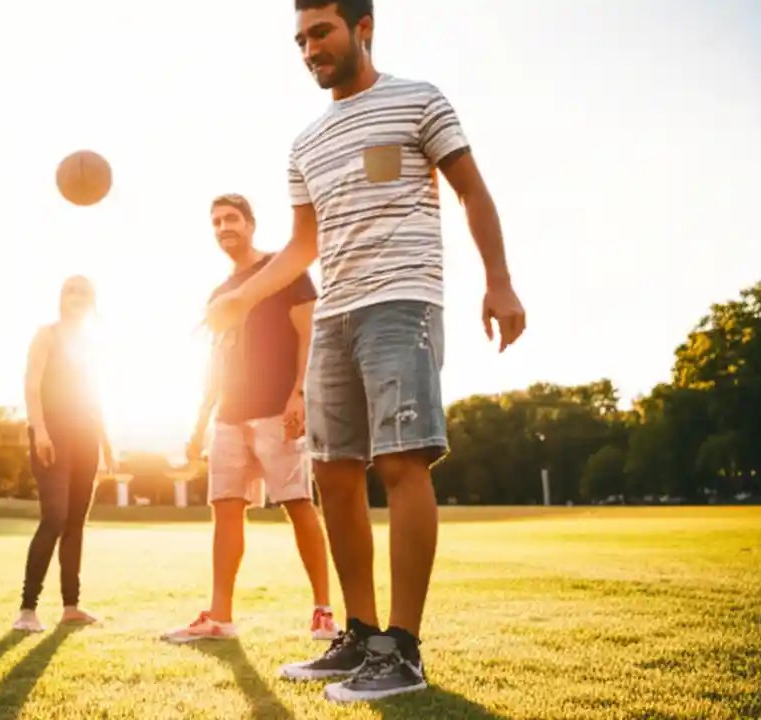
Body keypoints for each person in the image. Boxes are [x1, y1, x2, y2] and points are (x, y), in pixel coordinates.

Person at [205, 0, 527, 703]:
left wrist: (498, 281)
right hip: (334, 319)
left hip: (402, 302)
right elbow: (301, 245)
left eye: (320, 33)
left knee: (402, 460)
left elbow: (472, 191)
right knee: (334, 472)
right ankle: (361, 634)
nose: (309, 49)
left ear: (363, 29)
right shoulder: (304, 143)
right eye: (300, 39)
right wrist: (242, 296)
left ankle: (403, 650)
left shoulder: (419, 100)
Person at [161, 194, 338, 644]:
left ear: (251, 223)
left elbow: (309, 335)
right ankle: (220, 616)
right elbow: (217, 363)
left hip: (278, 411)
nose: (224, 227)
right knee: (225, 511)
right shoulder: (219, 295)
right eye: (217, 221)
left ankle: (323, 611)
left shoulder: (285, 268)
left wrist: (300, 394)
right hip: (229, 417)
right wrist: (201, 422)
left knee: (299, 505)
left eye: (232, 219)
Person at [12, 275, 114, 633]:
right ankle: (27, 610)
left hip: (86, 436)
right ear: (61, 297)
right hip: (52, 433)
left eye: (85, 291)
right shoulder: (47, 335)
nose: (77, 296)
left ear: (92, 300)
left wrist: (106, 444)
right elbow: (31, 384)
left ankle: (71, 606)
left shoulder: (90, 343)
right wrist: (39, 429)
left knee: (75, 523)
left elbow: (94, 395)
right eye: (71, 289)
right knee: (54, 517)